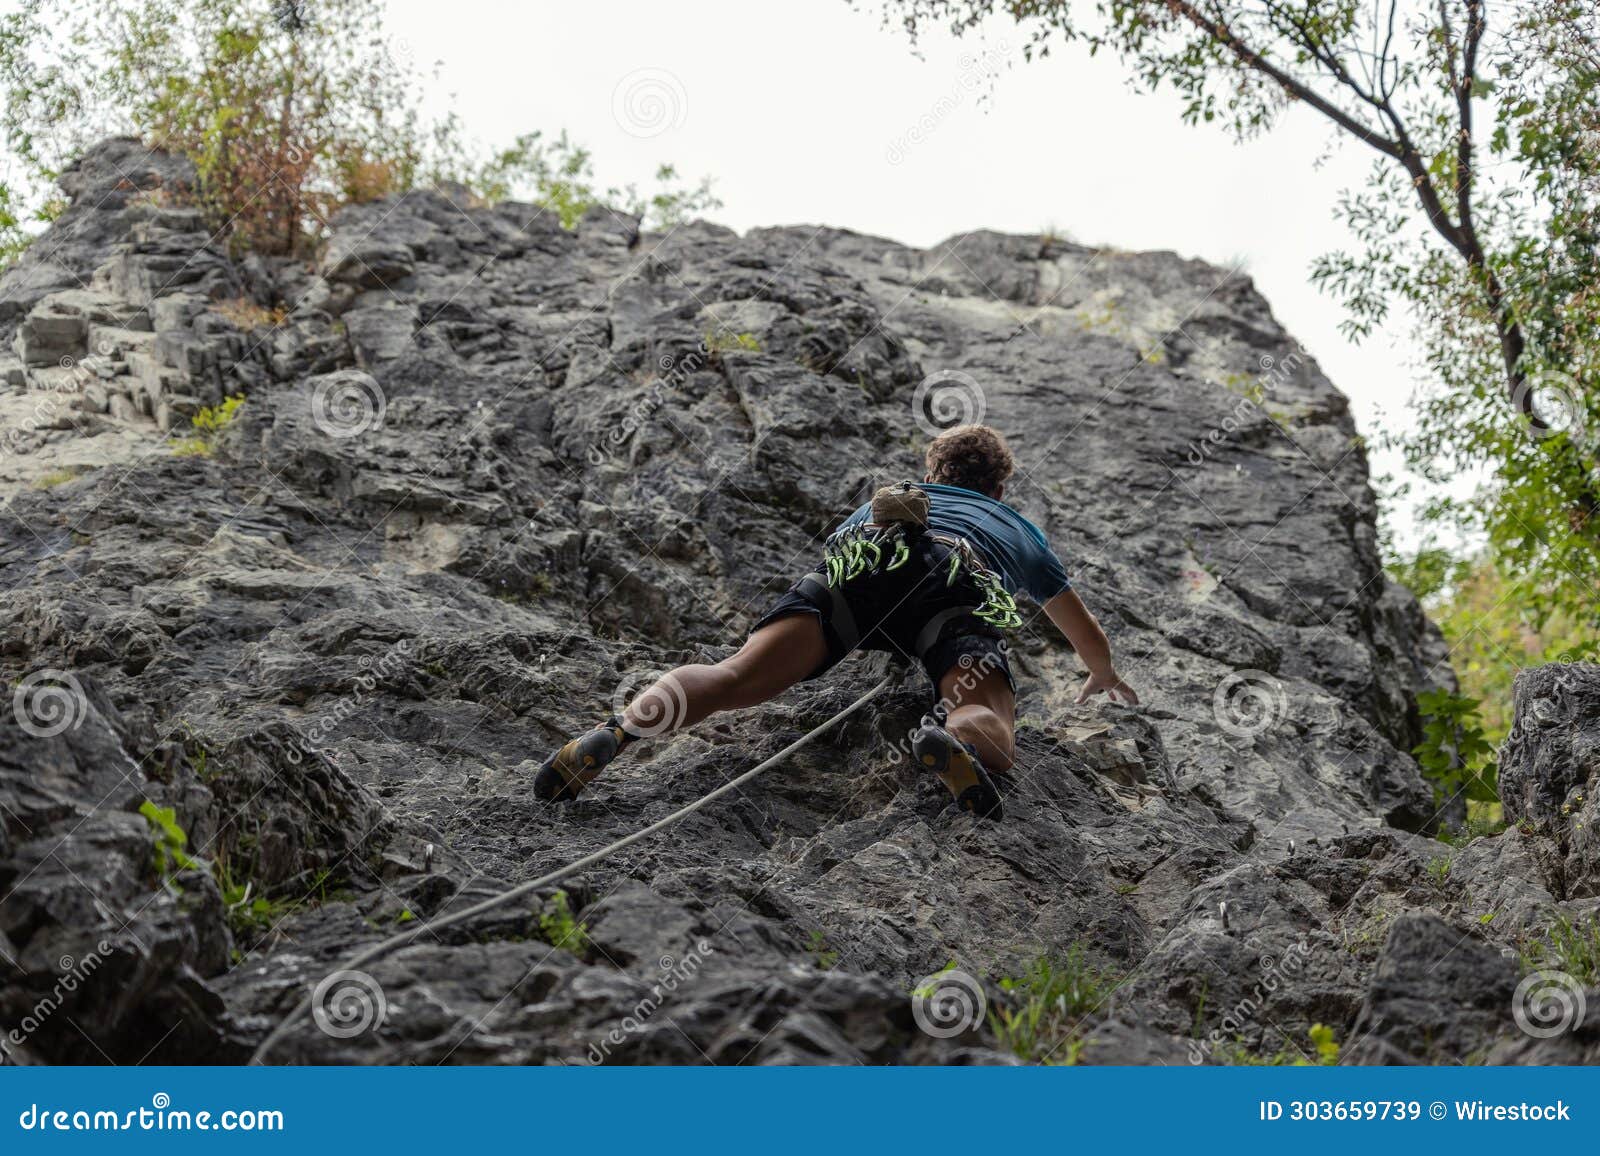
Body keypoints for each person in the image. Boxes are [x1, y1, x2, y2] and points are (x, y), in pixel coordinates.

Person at [537, 424, 1138, 821]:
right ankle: (957, 739)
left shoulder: (892, 500)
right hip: (955, 590)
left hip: (860, 571)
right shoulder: (1016, 527)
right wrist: (1103, 672)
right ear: (999, 486)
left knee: (734, 676)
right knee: (981, 708)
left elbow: (847, 554)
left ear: (933, 470)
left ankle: (618, 731)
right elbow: (1081, 631)